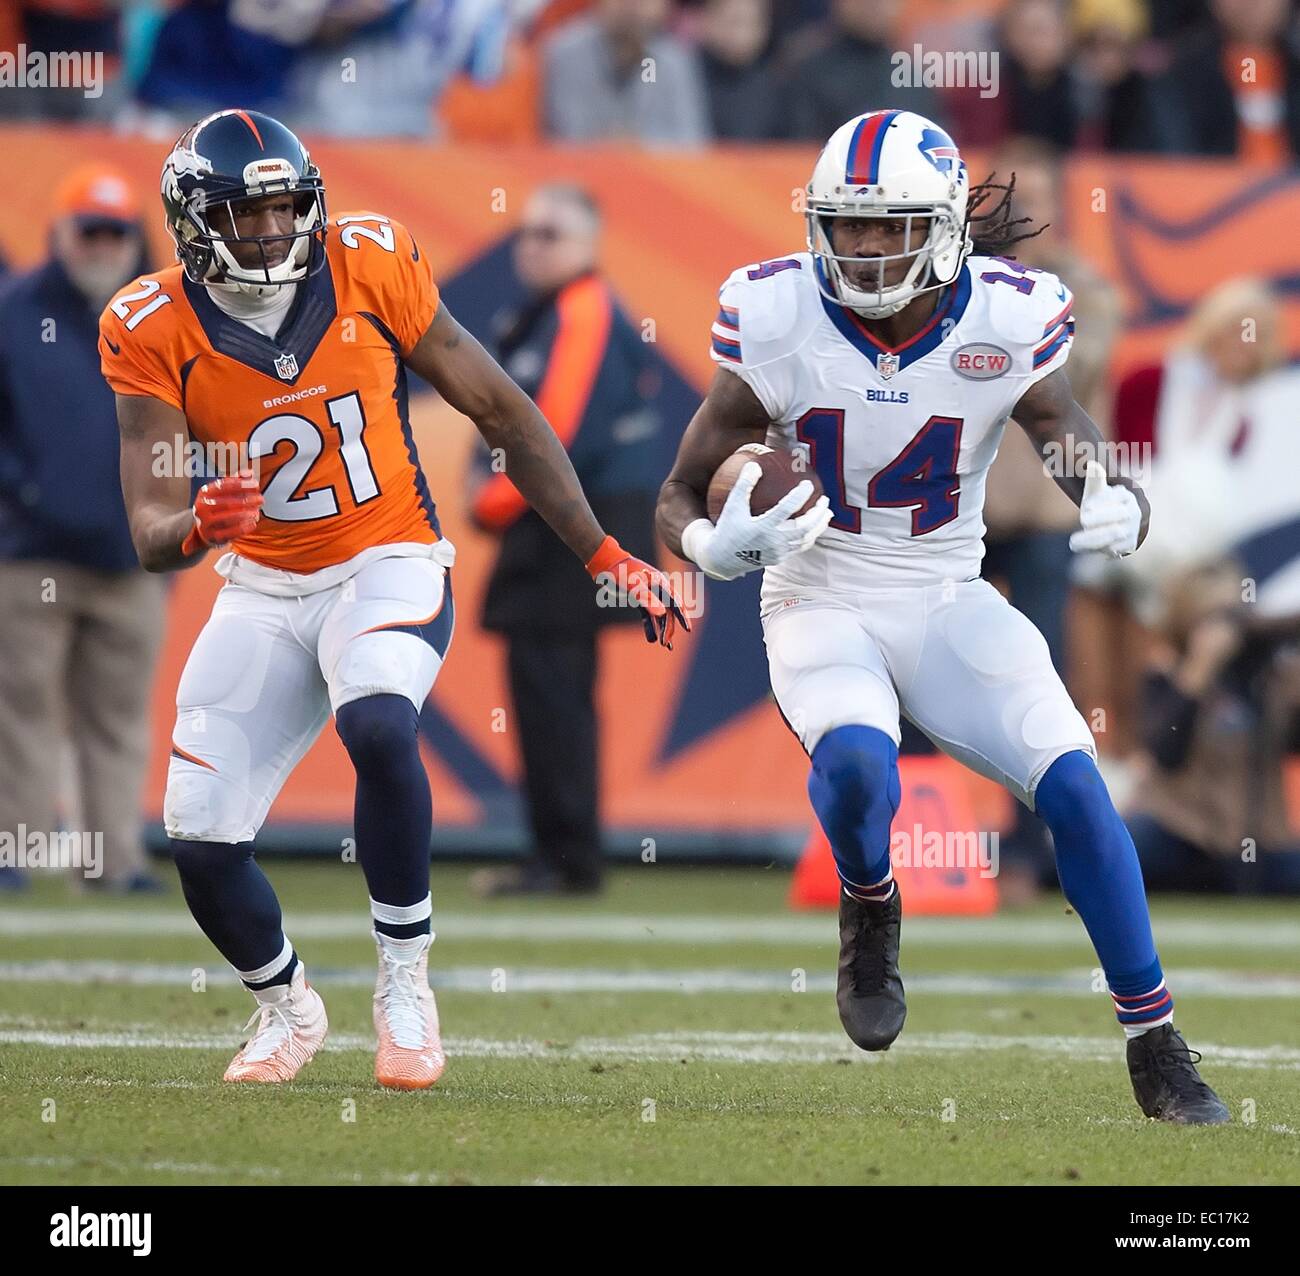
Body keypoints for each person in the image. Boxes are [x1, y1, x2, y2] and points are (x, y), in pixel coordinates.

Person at [655, 108, 1230, 1124]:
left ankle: (1153, 1038)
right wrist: (712, 546)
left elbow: (1060, 425)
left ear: (948, 227)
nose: (866, 250)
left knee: (1077, 789)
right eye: (848, 226)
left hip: (945, 590)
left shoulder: (1006, 315)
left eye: (891, 228)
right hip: (819, 589)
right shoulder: (774, 311)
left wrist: (1104, 489)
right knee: (857, 768)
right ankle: (871, 899)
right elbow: (678, 489)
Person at [100, 109, 685, 1090]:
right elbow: (150, 530)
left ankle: (403, 979)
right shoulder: (147, 325)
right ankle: (287, 1005)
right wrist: (198, 522)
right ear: (198, 225)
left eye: (291, 208)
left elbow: (501, 408)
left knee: (377, 722)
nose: (279, 231)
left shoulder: (370, 261)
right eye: (252, 215)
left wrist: (600, 552)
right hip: (263, 582)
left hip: (390, 558)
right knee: (198, 839)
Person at [468, 185, 662, 898]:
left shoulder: (580, 309)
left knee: (554, 692)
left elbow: (553, 430)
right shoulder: (545, 312)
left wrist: (487, 502)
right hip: (561, 522)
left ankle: (567, 856)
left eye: (550, 233)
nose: (533, 245)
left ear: (587, 244)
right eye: (526, 233)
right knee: (551, 692)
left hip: (571, 527)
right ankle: (560, 850)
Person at [0, 164, 165, 894]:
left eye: (116, 232)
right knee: (21, 714)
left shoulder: (166, 318)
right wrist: (22, 497)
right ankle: (18, 851)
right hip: (28, 557)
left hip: (130, 561)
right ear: (59, 232)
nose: (102, 245)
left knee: (117, 721)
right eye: (89, 229)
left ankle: (113, 861)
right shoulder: (13, 313)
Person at [1127, 559, 1300, 896]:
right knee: (1116, 851)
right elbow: (1166, 754)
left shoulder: (1269, 676)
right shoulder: (1166, 674)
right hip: (1181, 831)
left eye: (1234, 616)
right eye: (1214, 619)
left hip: (1261, 841)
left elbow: (1294, 745)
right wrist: (1198, 670)